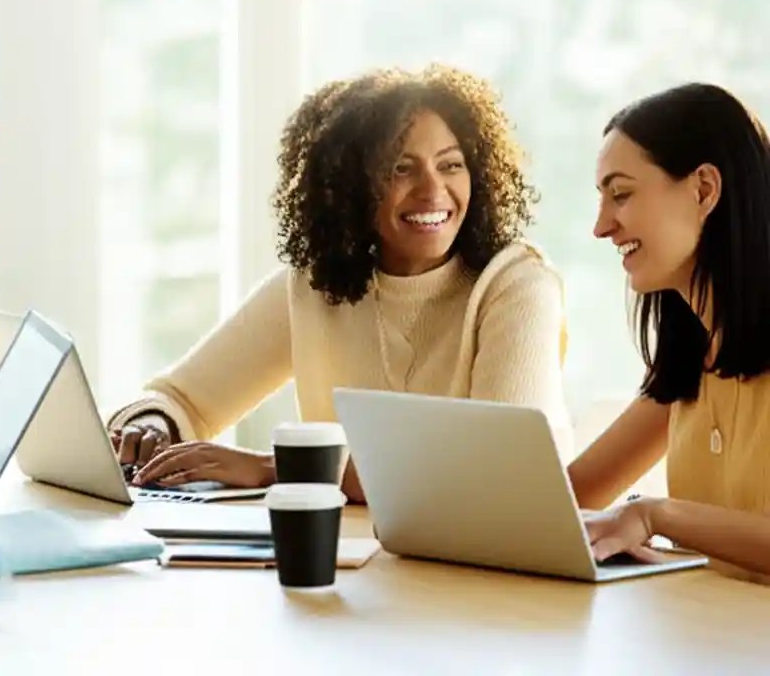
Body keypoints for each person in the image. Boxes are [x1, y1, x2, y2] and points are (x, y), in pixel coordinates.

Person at [107, 64, 571, 502]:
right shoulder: (316, 286)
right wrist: (151, 429)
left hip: (489, 558)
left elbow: (499, 468)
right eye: (401, 168)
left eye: (451, 165)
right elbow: (182, 399)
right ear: (350, 185)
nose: (432, 190)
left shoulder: (517, 284)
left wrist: (277, 468)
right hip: (353, 554)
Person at [572, 83, 770, 584]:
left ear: (703, 190)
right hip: (706, 628)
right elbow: (566, 499)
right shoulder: (691, 363)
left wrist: (655, 515)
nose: (601, 226)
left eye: (621, 194)